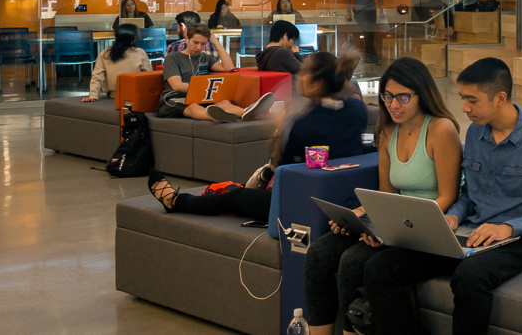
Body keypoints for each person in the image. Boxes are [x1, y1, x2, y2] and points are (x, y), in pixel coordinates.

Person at [361, 58, 522, 335]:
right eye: (463, 98)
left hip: (519, 239)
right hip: (470, 232)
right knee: (381, 267)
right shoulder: (475, 133)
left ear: (500, 98)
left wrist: (507, 227)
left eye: (472, 100)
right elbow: (468, 195)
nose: (464, 108)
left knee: (470, 276)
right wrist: (453, 215)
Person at [303, 58, 462, 335]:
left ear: (421, 94)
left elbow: (448, 196)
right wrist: (359, 217)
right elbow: (386, 194)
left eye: (402, 97)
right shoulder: (388, 130)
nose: (393, 105)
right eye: (387, 97)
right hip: (395, 218)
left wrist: (392, 227)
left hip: (426, 224)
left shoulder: (441, 128)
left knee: (353, 261)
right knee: (320, 252)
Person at [147, 52, 369, 221]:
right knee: (246, 188)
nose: (299, 76)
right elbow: (321, 154)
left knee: (236, 198)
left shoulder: (300, 123)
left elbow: (281, 168)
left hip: (303, 200)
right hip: (343, 192)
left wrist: (281, 128)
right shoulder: (356, 109)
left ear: (318, 83)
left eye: (305, 72)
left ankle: (177, 201)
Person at [155, 24, 271, 123]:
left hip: (200, 98)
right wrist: (205, 88)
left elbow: (228, 67)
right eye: (195, 42)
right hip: (173, 100)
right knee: (193, 107)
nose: (199, 47)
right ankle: (218, 117)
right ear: (187, 38)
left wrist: (216, 43)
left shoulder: (204, 57)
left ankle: (247, 112)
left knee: (224, 102)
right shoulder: (173, 57)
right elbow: (177, 86)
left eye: (203, 44)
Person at [82, 23, 153, 101]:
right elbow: (149, 76)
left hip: (114, 95)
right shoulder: (140, 53)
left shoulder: (105, 53)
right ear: (134, 37)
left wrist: (93, 96)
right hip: (136, 94)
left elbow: (97, 76)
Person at [349, 0, 385, 64]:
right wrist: (349, 12)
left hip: (371, 11)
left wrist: (381, 12)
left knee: (369, 35)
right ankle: (375, 59)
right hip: (360, 11)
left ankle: (370, 58)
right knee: (367, 34)